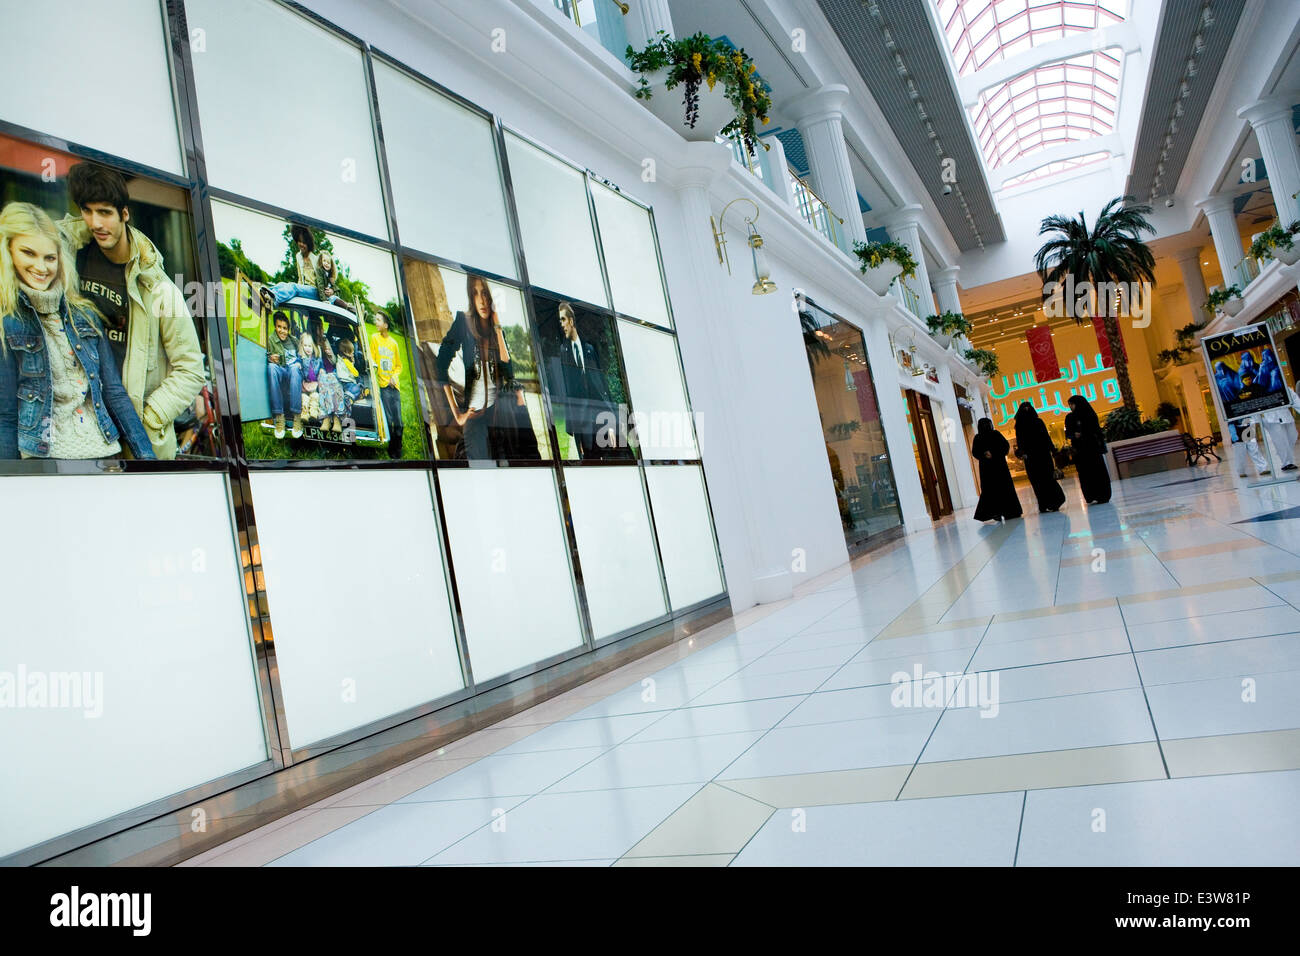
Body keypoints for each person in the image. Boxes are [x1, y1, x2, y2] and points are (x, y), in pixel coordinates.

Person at [60, 162, 203, 459]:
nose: (95, 223)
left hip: (134, 435)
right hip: (79, 429)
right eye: (87, 210)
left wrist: (148, 417)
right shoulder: (66, 256)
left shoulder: (158, 286)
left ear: (124, 214)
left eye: (105, 212)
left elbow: (190, 369)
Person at [0, 202, 154, 460]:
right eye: (29, 253)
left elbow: (114, 393)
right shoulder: (7, 323)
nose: (41, 267)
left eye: (50, 257)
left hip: (106, 458)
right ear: (8, 252)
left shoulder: (84, 314)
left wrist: (148, 460)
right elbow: (5, 416)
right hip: (46, 464)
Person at [433, 272, 516, 460]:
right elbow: (440, 364)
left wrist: (497, 325)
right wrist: (457, 413)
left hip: (499, 416)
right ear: (471, 297)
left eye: (485, 293)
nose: (482, 300)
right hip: (475, 417)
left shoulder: (497, 330)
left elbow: (509, 371)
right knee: (481, 471)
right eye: (476, 293)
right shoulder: (464, 321)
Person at [549, 301, 623, 458]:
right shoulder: (564, 351)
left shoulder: (589, 349)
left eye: (563, 319)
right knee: (590, 460)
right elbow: (568, 391)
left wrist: (610, 422)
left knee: (612, 456)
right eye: (559, 321)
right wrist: (575, 432)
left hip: (599, 415)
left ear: (571, 320)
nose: (561, 324)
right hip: (583, 421)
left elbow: (601, 386)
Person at [1014, 401, 1066, 512]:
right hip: (1042, 456)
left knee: (1038, 481)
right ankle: (1054, 502)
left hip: (1032, 458)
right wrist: (1053, 450)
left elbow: (1020, 441)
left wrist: (1022, 453)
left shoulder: (1019, 425)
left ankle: (1044, 504)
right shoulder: (1037, 422)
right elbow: (1046, 438)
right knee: (1046, 479)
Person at [970, 418, 1022, 522]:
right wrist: (985, 454)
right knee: (998, 489)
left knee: (996, 490)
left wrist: (991, 453)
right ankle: (1001, 512)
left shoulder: (985, 436)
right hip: (995, 468)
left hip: (992, 469)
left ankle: (1002, 512)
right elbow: (975, 452)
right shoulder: (984, 437)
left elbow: (1005, 447)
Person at [368, 310, 404, 458]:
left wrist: (394, 376)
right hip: (383, 387)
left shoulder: (394, 344)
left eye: (378, 320)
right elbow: (372, 358)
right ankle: (392, 448)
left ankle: (398, 445)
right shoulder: (374, 339)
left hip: (394, 386)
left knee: (399, 422)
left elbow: (399, 366)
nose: (376, 322)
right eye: (375, 319)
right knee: (389, 420)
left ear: (386, 325)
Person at [1064, 395, 1112, 504]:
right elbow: (1068, 433)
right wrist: (1073, 435)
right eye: (1070, 405)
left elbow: (1096, 430)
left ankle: (1102, 495)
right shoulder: (1070, 417)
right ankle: (1091, 495)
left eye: (1072, 404)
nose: (1070, 407)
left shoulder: (1090, 415)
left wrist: (1084, 434)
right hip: (1080, 451)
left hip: (1092, 448)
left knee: (1097, 471)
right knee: (1086, 473)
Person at [265, 310, 302, 439]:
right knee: (271, 368)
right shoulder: (270, 339)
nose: (282, 331)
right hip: (280, 370)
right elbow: (263, 355)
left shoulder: (294, 341)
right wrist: (269, 358)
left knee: (295, 370)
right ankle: (279, 417)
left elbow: (303, 355)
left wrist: (300, 363)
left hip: (293, 370)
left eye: (285, 328)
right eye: (279, 327)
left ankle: (297, 417)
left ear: (288, 329)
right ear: (275, 327)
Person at [1257, 383, 1300, 472]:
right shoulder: (1258, 388)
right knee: (1280, 440)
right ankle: (1286, 463)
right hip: (1270, 419)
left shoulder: (1282, 384)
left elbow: (1294, 398)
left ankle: (1287, 458)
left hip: (1285, 415)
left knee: (1292, 436)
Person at [298, 332, 323, 426]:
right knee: (304, 398)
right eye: (305, 346)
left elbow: (322, 366)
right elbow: (297, 361)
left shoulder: (317, 358)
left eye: (310, 346)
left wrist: (322, 369)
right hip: (305, 383)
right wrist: (298, 364)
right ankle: (304, 414)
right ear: (302, 346)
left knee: (315, 396)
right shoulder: (301, 357)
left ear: (314, 347)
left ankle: (313, 413)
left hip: (314, 383)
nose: (308, 348)